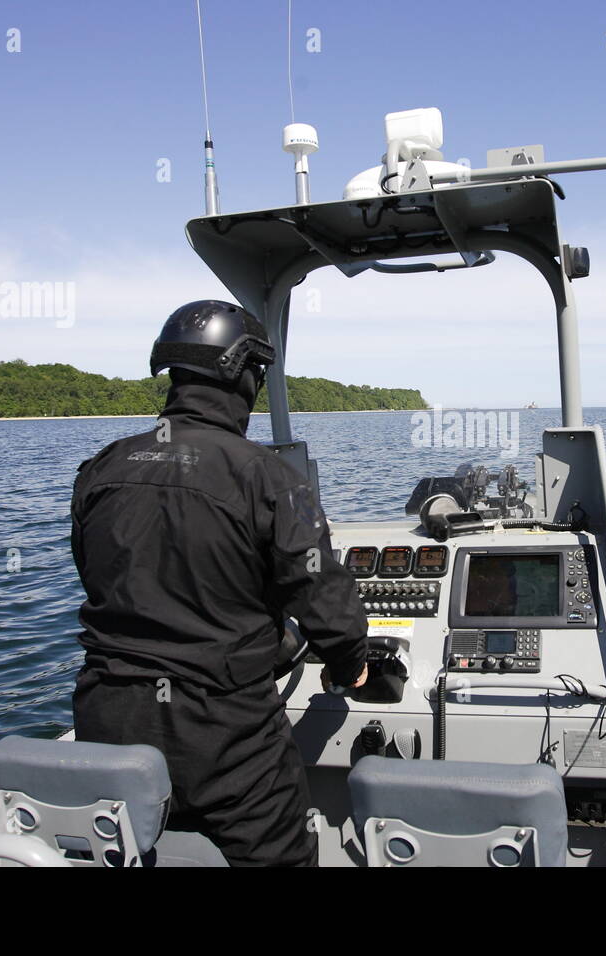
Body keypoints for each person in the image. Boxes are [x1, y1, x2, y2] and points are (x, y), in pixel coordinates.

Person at [70, 299, 369, 866]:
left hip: (108, 716)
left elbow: (98, 578)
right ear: (245, 376)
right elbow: (322, 598)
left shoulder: (102, 467)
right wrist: (350, 661)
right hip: (225, 734)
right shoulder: (269, 478)